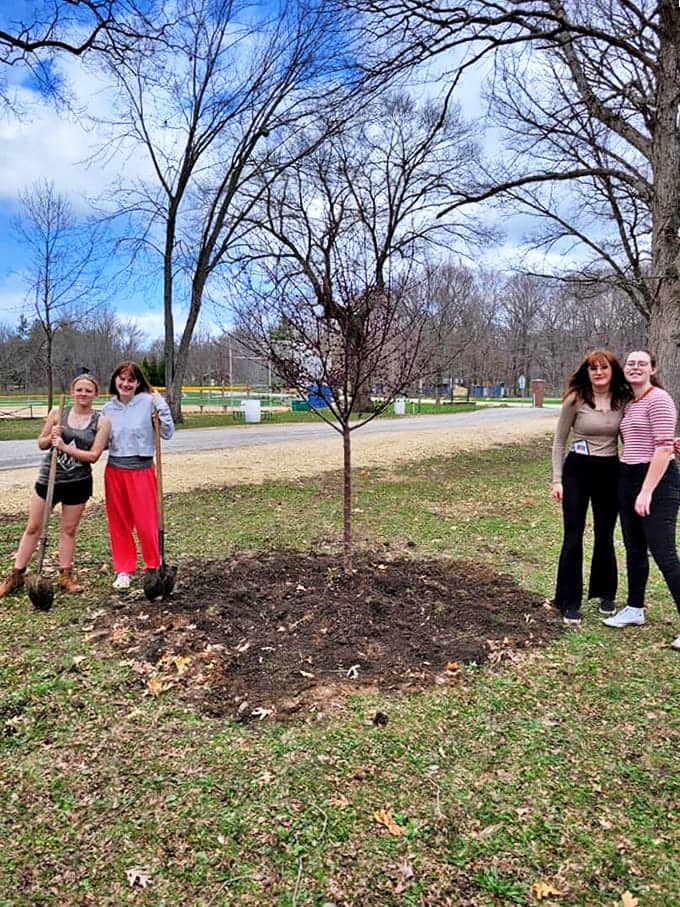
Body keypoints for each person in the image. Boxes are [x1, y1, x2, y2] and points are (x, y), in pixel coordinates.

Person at [0, 373, 111, 598]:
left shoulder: (101, 421)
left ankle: (65, 575)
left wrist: (64, 446)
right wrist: (50, 437)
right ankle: (16, 575)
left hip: (78, 483)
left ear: (96, 394)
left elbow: (93, 455)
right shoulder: (57, 413)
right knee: (33, 527)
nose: (83, 394)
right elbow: (41, 443)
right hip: (48, 480)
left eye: (88, 391)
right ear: (72, 391)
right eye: (79, 390)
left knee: (68, 530)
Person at [602, 350, 680, 650]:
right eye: (630, 363)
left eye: (641, 364)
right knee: (634, 550)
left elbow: (663, 450)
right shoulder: (630, 403)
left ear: (653, 369)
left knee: (664, 553)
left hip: (657, 481)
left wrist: (646, 491)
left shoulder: (658, 398)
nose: (635, 367)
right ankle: (635, 609)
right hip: (628, 475)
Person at [551, 349, 633, 626]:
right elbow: (559, 442)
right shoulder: (575, 400)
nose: (598, 373)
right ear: (587, 372)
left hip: (610, 470)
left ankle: (606, 593)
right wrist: (557, 479)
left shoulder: (623, 401)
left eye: (604, 368)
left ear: (612, 371)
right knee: (573, 535)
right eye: (593, 368)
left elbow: (632, 436)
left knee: (605, 533)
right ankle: (568, 600)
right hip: (578, 470)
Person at [103, 360, 174, 590]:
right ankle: (124, 569)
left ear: (138, 382)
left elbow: (167, 432)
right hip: (115, 470)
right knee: (120, 522)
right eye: (121, 379)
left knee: (146, 522)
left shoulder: (148, 402)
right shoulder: (108, 409)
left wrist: (161, 405)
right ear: (115, 380)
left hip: (142, 469)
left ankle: (153, 565)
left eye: (131, 379)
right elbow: (101, 443)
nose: (125, 383)